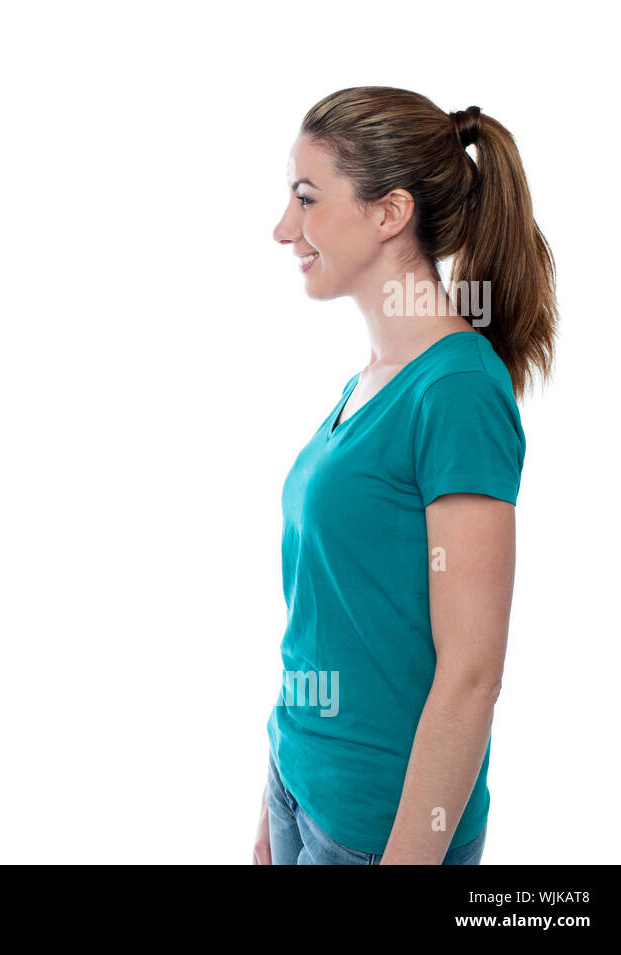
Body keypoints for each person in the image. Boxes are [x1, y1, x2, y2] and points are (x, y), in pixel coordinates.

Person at [255, 88, 557, 865]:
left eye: (307, 198)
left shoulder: (456, 389)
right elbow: (321, 624)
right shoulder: (371, 381)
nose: (285, 228)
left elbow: (472, 673)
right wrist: (271, 798)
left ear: (389, 213)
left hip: (376, 833)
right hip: (300, 788)